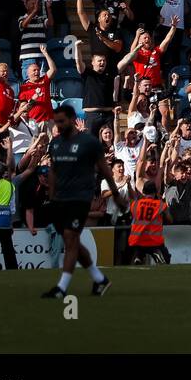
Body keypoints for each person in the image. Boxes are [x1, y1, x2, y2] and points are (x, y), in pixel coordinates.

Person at [43, 103, 120, 298]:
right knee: (73, 241)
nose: (59, 125)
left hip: (80, 198)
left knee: (70, 238)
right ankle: (100, 279)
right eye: (56, 122)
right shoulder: (55, 143)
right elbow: (53, 170)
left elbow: (105, 170)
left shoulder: (89, 142)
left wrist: (116, 194)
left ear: (72, 119)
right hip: (60, 200)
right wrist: (51, 197)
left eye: (62, 121)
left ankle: (61, 288)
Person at [126, 182, 171, 265]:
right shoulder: (160, 205)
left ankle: (139, 257)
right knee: (166, 259)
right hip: (153, 240)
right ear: (155, 192)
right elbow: (170, 219)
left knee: (140, 251)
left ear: (143, 192)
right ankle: (157, 255)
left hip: (136, 240)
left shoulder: (135, 204)